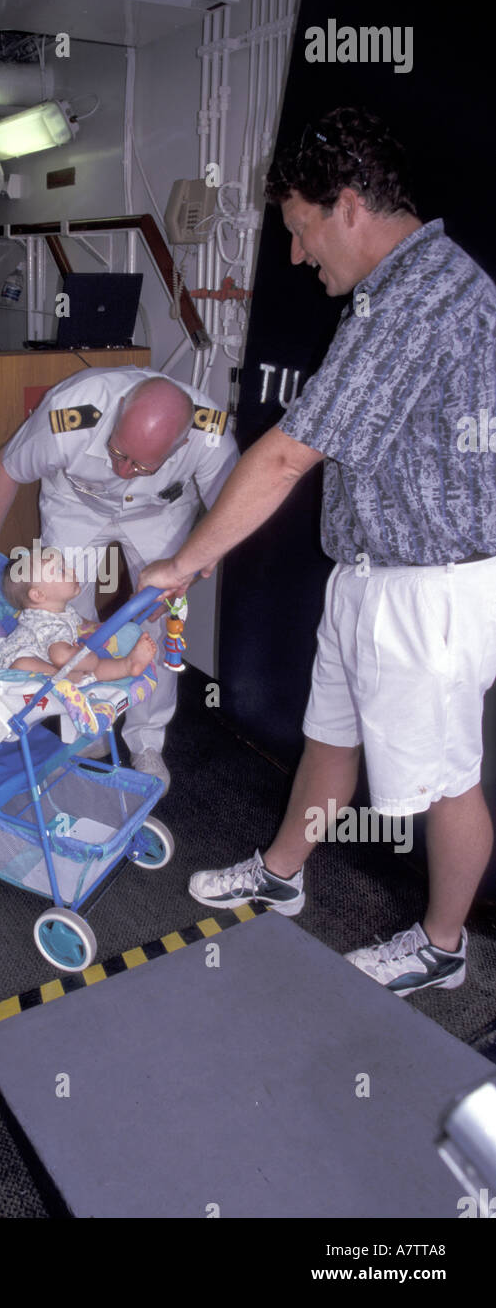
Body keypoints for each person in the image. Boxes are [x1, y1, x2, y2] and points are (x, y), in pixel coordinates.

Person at [140, 106, 496, 997]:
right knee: (328, 738)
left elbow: (293, 450)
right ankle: (282, 873)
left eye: (301, 231)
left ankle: (443, 947)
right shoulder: (394, 289)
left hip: (431, 590)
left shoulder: (423, 296)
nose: (298, 256)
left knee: (446, 780)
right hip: (372, 574)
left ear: (344, 206)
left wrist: (186, 560)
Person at [0, 367, 238, 793]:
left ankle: (147, 742)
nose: (126, 471)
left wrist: (187, 572)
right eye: (119, 453)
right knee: (65, 615)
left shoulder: (209, 432)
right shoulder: (72, 411)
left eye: (143, 464)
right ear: (119, 413)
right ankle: (86, 725)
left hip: (160, 512)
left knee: (155, 624)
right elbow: (9, 467)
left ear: (183, 444)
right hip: (78, 502)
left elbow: (234, 513)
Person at [0, 547, 157, 681]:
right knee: (24, 665)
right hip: (11, 671)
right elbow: (61, 656)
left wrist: (103, 628)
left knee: (84, 667)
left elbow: (82, 624)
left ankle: (127, 666)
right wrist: (91, 659)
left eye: (65, 566)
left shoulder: (62, 610)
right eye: (60, 570)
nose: (71, 570)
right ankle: (64, 676)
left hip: (47, 660)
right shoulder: (47, 624)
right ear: (39, 595)